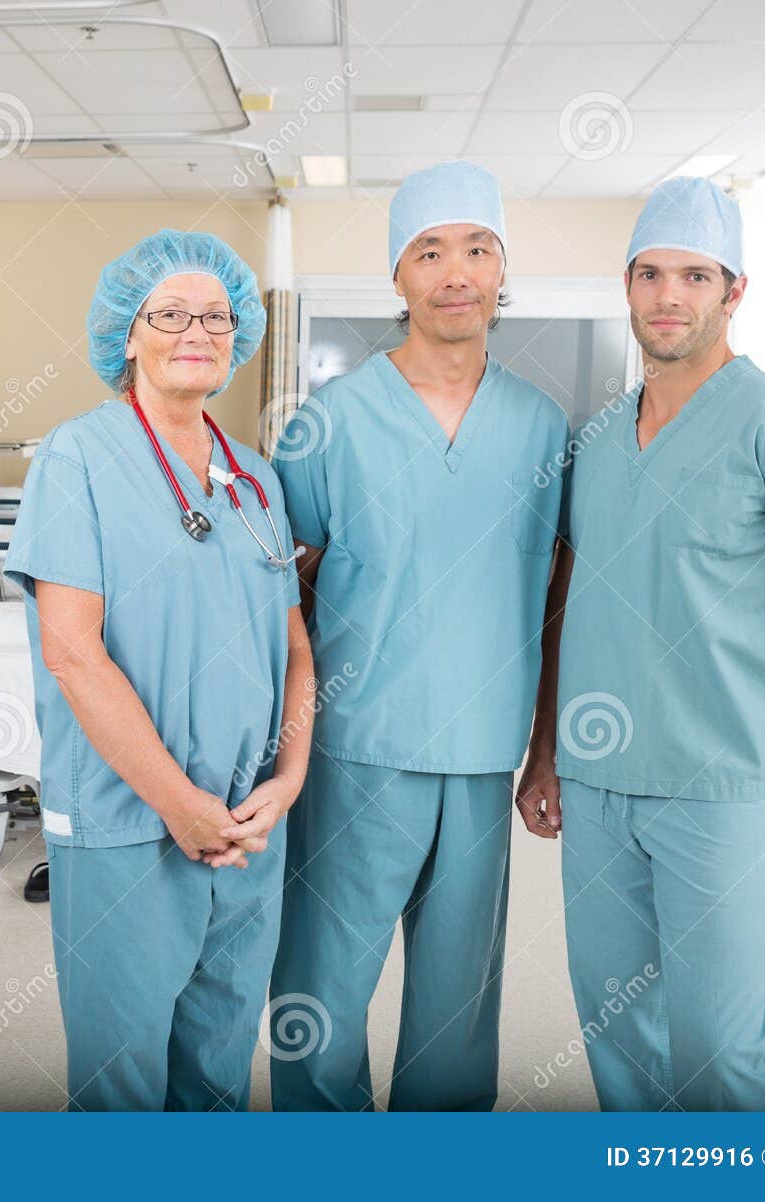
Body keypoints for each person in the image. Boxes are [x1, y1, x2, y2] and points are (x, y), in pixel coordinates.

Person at [515, 177, 765, 1111]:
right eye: (649, 274)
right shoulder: (595, 442)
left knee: (718, 1051)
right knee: (615, 1034)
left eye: (694, 275)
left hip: (719, 793)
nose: (668, 295)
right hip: (597, 791)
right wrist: (548, 750)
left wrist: (742, 695)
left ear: (734, 291)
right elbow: (571, 600)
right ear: (627, 288)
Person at [267, 161, 569, 1111]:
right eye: (429, 252)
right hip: (355, 748)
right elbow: (285, 598)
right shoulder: (327, 425)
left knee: (457, 1011)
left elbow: (558, 592)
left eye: (478, 249)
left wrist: (548, 749)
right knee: (320, 987)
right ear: (398, 279)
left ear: (500, 272)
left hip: (485, 754)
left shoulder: (543, 428)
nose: (456, 271)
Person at [4, 229, 314, 1111]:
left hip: (249, 819)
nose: (197, 330)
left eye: (216, 315)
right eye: (169, 312)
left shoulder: (256, 477)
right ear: (126, 335)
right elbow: (71, 650)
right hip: (127, 820)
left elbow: (293, 645)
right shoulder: (78, 458)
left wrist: (288, 776)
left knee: (218, 1069)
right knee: (123, 1084)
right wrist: (182, 805)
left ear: (239, 335)